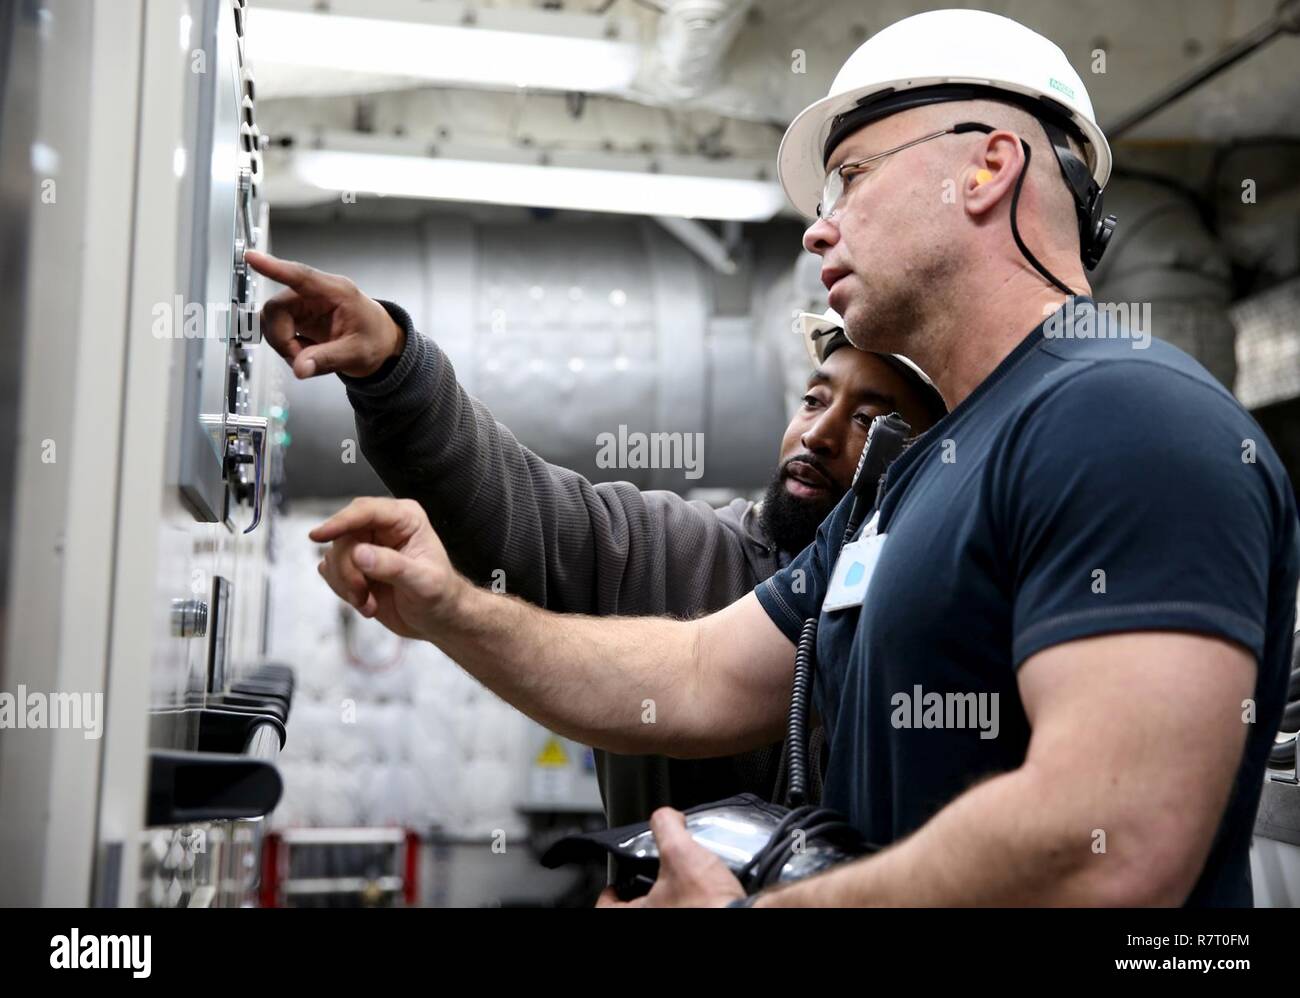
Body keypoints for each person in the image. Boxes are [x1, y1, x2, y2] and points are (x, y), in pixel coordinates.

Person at [305, 9, 1300, 907]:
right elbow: (694, 672)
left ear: (987, 168)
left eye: (853, 177)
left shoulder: (1124, 416)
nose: (821, 223)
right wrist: (451, 610)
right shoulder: (911, 480)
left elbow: (1108, 842)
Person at [245, 249, 944, 826]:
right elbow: (521, 506)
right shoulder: (685, 553)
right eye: (816, 400)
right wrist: (393, 368)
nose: (818, 433)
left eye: (868, 422)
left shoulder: (950, 614)